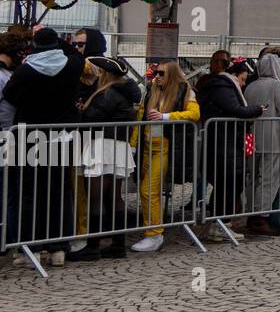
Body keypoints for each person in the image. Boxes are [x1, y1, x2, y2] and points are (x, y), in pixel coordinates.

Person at [3, 27, 85, 267]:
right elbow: (77, 54)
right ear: (57, 44)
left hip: (29, 139)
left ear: (34, 46)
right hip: (62, 138)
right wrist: (57, 40)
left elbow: (10, 95)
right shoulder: (71, 66)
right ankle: (58, 247)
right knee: (59, 192)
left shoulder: (26, 71)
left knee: (29, 195)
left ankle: (31, 248)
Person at [70, 56, 140, 261]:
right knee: (114, 197)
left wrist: (80, 109)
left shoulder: (108, 93)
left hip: (103, 144)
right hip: (116, 144)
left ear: (106, 74)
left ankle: (93, 246)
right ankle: (117, 244)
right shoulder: (121, 92)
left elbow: (90, 117)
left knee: (96, 196)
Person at [130, 61, 199, 253]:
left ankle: (154, 233)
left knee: (148, 190)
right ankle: (151, 229)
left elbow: (194, 114)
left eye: (161, 73)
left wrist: (166, 117)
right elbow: (140, 118)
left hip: (165, 147)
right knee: (147, 190)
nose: (157, 77)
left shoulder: (184, 91)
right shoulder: (151, 90)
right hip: (146, 145)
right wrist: (134, 145)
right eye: (155, 73)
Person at [196, 58, 264, 242]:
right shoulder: (223, 87)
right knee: (229, 184)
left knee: (227, 184)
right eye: (242, 80)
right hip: (223, 143)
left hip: (226, 142)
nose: (243, 84)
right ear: (233, 75)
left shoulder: (220, 85)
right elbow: (234, 109)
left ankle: (220, 224)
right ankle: (220, 224)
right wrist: (256, 110)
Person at [242, 51, 280, 234]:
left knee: (252, 177)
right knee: (268, 178)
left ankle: (252, 213)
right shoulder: (278, 86)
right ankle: (261, 217)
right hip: (272, 139)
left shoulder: (250, 86)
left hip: (252, 137)